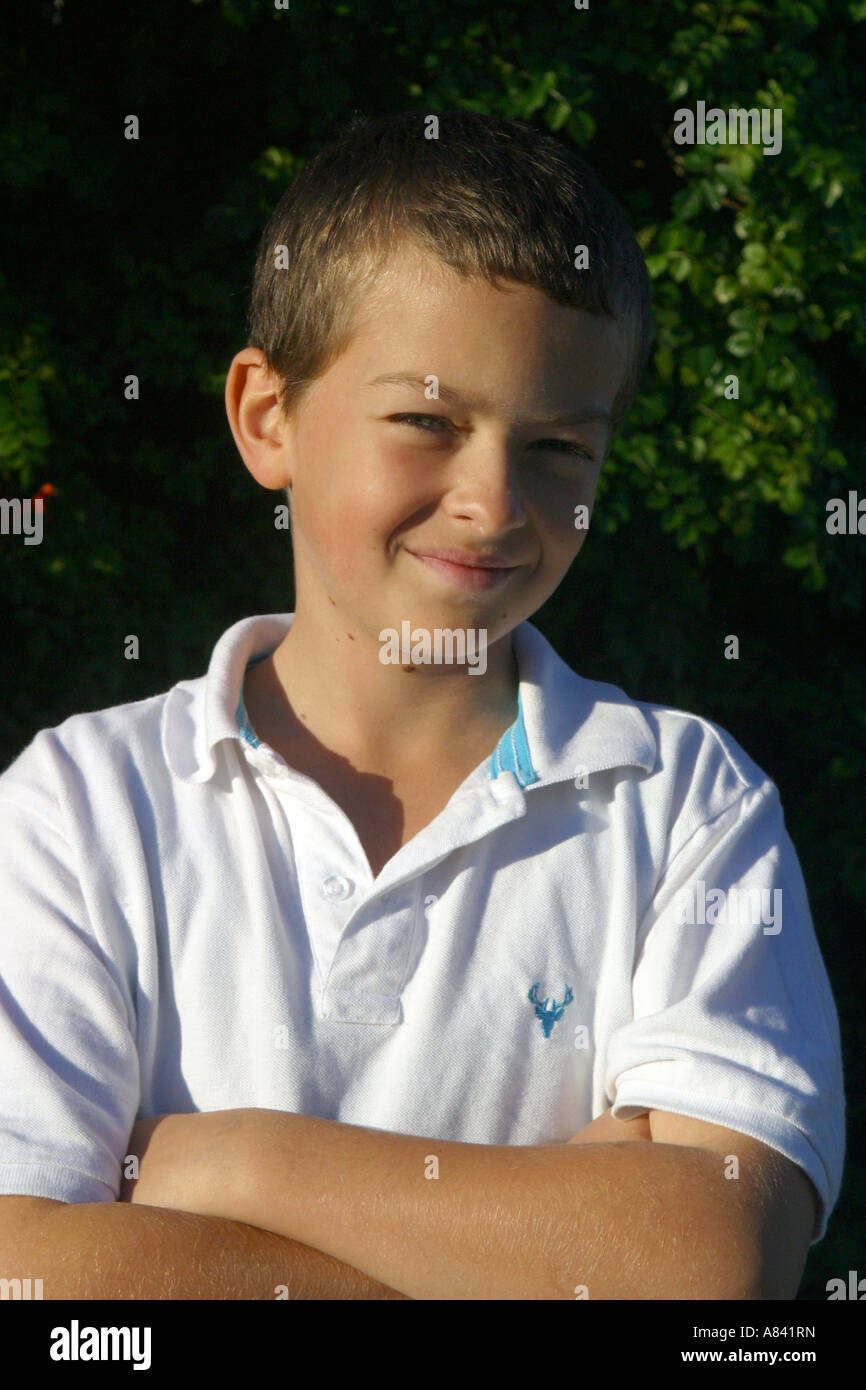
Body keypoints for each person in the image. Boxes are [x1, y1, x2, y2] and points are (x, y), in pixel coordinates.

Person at [0, 110, 844, 1300]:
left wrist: (229, 1161)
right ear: (265, 417)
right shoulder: (78, 809)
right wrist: (524, 1253)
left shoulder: (682, 803)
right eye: (428, 423)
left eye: (558, 445)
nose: (493, 500)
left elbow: (710, 1265)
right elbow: (30, 1283)